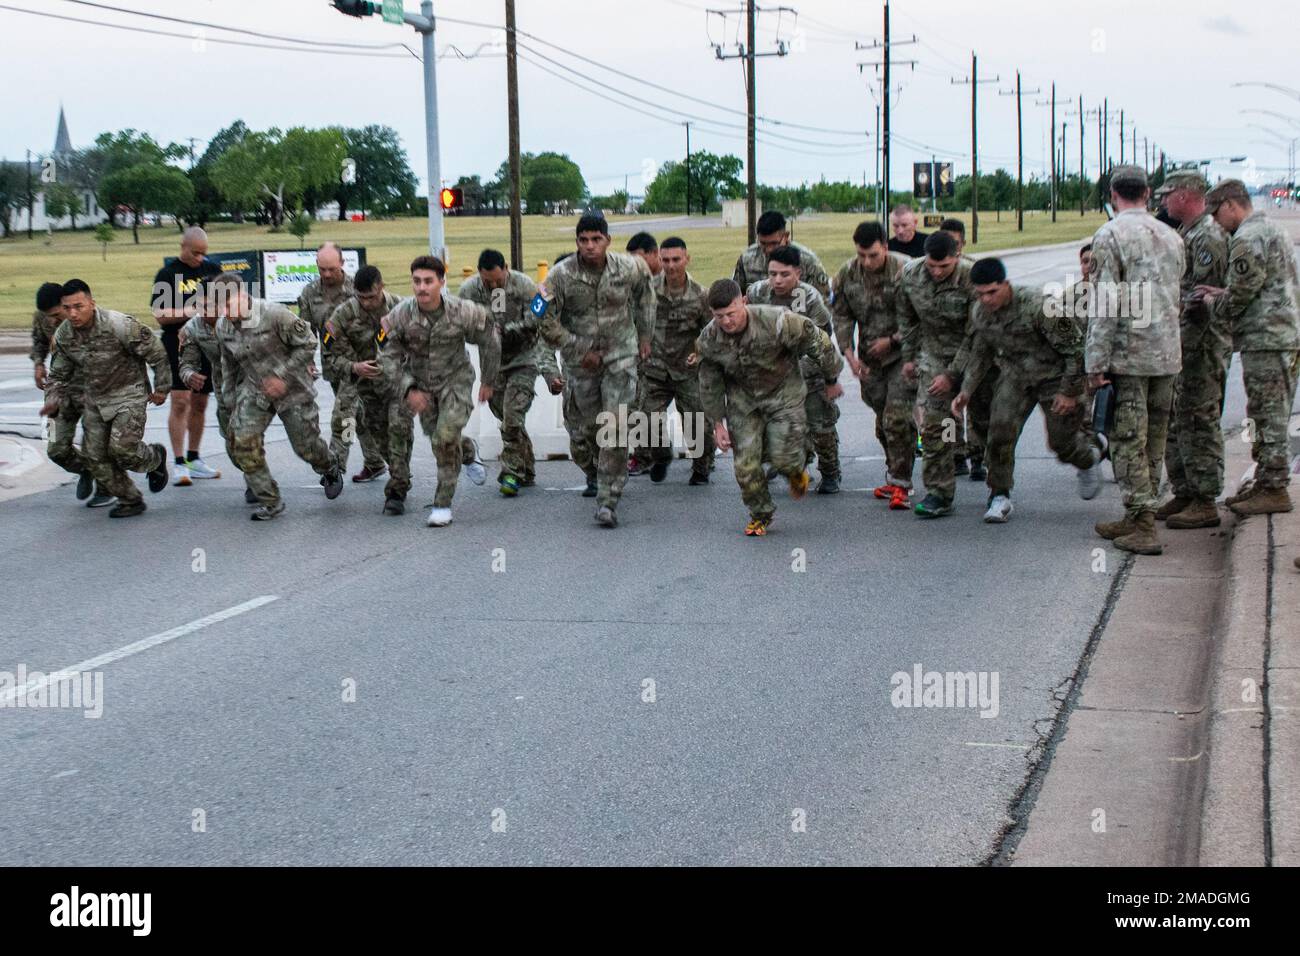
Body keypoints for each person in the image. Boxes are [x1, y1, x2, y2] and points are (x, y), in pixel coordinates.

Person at [952, 258, 1102, 523]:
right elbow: (981, 352)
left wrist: (1069, 392)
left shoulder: (1041, 306)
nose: (986, 299)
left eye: (992, 292)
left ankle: (1089, 457)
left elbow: (1076, 349)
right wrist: (966, 390)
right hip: (1016, 376)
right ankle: (999, 495)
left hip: (1056, 378)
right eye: (980, 293)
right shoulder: (980, 312)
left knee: (1061, 443)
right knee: (999, 430)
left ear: (1006, 285)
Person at [1086, 164, 1184, 555]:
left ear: (1113, 195)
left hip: (1130, 355)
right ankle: (1140, 511)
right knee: (1155, 437)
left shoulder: (1110, 235)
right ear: (1148, 194)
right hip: (1167, 351)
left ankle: (1143, 521)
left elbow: (1105, 302)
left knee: (1127, 438)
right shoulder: (1171, 235)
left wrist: (1095, 362)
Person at [696, 279, 844, 536]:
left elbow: (819, 342)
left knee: (784, 459)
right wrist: (717, 424)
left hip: (783, 395)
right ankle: (761, 513)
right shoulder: (709, 338)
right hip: (744, 402)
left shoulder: (778, 321)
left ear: (743, 301)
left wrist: (831, 379)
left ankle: (796, 467)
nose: (727, 321)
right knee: (745, 466)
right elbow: (709, 382)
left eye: (731, 313)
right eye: (720, 316)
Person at [537, 213, 654, 528]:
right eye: (584, 240)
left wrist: (645, 336)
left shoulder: (631, 267)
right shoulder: (559, 276)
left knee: (613, 428)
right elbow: (540, 315)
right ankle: (596, 473)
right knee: (587, 431)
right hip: (581, 365)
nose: (590, 246)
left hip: (621, 356)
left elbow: (646, 298)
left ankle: (608, 499)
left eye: (596, 239)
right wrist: (576, 348)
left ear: (607, 241)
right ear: (576, 242)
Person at [1195, 178, 1300, 517]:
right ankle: (1266, 480)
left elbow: (1240, 297)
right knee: (1269, 413)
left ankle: (1274, 488)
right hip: (1282, 334)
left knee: (1267, 415)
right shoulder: (1272, 229)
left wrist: (1209, 301)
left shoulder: (1247, 238)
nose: (1215, 221)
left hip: (1266, 338)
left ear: (1230, 205)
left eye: (1216, 212)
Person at [214, 273, 345, 521]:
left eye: (228, 304)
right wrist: (228, 398)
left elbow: (307, 343)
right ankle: (269, 500)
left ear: (243, 296)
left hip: (292, 388)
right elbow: (228, 364)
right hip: (256, 390)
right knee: (243, 443)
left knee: (306, 448)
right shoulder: (223, 327)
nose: (224, 312)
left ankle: (329, 466)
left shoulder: (274, 315)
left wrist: (281, 375)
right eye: (219, 306)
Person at [381, 256, 501, 527]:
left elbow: (490, 339)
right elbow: (387, 357)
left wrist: (489, 380)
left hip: (455, 381)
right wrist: (407, 389)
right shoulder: (400, 315)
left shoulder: (463, 311)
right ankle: (469, 451)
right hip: (422, 388)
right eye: (416, 281)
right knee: (441, 438)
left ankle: (442, 504)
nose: (422, 288)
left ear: (441, 282)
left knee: (444, 439)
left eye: (428, 281)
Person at [40, 279, 170, 518]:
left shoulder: (119, 325)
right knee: (94, 456)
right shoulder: (64, 335)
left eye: (78, 306)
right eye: (67, 308)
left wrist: (162, 387)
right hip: (96, 398)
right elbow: (58, 374)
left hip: (128, 393)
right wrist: (52, 399)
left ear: (92, 303)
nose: (72, 313)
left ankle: (155, 458)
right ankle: (130, 499)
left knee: (122, 449)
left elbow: (156, 353)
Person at [1155, 170, 1231, 530]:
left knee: (1200, 419)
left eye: (1168, 194)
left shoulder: (1208, 236)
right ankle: (1185, 490)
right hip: (1185, 344)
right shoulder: (1189, 233)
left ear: (1184, 196)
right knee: (1181, 418)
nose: (1163, 201)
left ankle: (1205, 498)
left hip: (1202, 345)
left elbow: (1203, 296)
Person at [457, 249, 564, 497]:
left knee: (513, 415)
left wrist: (508, 330)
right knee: (506, 419)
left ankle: (511, 473)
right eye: (488, 281)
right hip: (493, 363)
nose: (494, 285)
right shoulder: (469, 291)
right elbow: (460, 325)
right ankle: (526, 468)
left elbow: (537, 316)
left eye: (497, 279)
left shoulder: (525, 285)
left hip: (525, 357)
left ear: (506, 268)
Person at [831, 221, 915, 509]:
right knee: (883, 422)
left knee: (896, 418)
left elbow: (921, 319)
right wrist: (849, 355)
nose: (867, 262)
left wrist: (892, 341)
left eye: (873, 255)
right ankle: (895, 475)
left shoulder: (906, 271)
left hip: (904, 354)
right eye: (861, 255)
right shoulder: (846, 274)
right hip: (870, 357)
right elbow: (841, 316)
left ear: (886, 248)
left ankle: (902, 483)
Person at [745, 245, 842, 494]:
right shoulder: (757, 292)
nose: (777, 280)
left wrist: (831, 379)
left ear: (797, 272)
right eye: (772, 273)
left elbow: (823, 340)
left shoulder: (809, 297)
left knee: (821, 425)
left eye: (785, 274)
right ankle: (789, 463)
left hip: (808, 369)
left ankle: (830, 471)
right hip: (773, 375)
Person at [896, 231, 978, 517]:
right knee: (934, 423)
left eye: (944, 266)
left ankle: (997, 486)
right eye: (932, 265)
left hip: (978, 355)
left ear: (957, 257)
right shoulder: (911, 274)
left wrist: (953, 375)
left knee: (989, 425)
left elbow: (976, 333)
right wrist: (908, 358)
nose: (937, 271)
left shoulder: (971, 277)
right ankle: (939, 492)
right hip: (933, 353)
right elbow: (906, 319)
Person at [299, 243, 385, 482]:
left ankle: (336, 465)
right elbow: (304, 332)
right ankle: (375, 461)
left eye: (332, 269)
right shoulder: (309, 293)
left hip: (362, 364)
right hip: (335, 365)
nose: (327, 274)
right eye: (322, 269)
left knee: (344, 415)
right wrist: (306, 360)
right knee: (358, 415)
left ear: (342, 264)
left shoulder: (356, 289)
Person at [321, 265, 403, 507]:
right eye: (361, 297)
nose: (366, 303)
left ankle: (395, 473)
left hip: (390, 378)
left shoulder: (400, 308)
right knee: (344, 420)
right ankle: (335, 470)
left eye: (371, 297)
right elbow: (328, 352)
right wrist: (353, 367)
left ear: (382, 288)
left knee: (390, 430)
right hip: (356, 376)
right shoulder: (343, 314)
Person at [638, 237, 714, 485]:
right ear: (659, 259)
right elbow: (633, 321)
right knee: (645, 421)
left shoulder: (701, 295)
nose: (671, 266)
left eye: (676, 260)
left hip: (687, 371)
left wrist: (701, 353)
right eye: (666, 260)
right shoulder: (647, 290)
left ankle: (701, 468)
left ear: (687, 259)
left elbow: (712, 332)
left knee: (697, 426)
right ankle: (661, 456)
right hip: (654, 370)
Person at [31, 282, 113, 508]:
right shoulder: (43, 318)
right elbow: (39, 340)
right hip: (58, 391)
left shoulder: (92, 322)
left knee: (95, 443)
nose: (51, 320)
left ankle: (106, 487)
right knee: (55, 448)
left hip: (91, 390)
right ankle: (86, 470)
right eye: (46, 316)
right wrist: (38, 364)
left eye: (56, 314)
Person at [151, 226, 221, 486]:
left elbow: (226, 303)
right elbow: (159, 315)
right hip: (176, 343)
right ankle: (179, 462)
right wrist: (191, 311)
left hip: (207, 344)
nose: (200, 258)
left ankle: (194, 458)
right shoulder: (168, 274)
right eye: (196, 253)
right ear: (183, 246)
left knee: (201, 402)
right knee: (180, 401)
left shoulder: (212, 271)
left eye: (204, 253)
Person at [178, 281, 255, 504]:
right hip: (224, 387)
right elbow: (186, 364)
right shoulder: (193, 328)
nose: (205, 311)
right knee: (232, 444)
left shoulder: (244, 319)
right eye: (200, 306)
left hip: (251, 381)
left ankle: (256, 481)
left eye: (210, 305)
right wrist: (189, 375)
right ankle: (254, 472)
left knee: (246, 435)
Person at [938, 215, 990, 479]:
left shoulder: (973, 273)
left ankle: (978, 456)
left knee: (978, 407)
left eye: (955, 243)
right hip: (946, 351)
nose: (951, 248)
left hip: (975, 349)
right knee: (948, 410)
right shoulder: (934, 272)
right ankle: (955, 453)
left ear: (963, 244)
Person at [625, 232, 661, 476]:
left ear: (653, 254)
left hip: (675, 359)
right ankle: (642, 455)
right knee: (637, 409)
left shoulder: (673, 279)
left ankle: (702, 457)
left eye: (638, 259)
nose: (634, 266)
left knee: (692, 414)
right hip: (640, 358)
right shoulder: (630, 284)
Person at [733, 211, 830, 296]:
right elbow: (735, 296)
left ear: (786, 236)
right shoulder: (747, 259)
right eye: (763, 243)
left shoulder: (808, 261)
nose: (769, 249)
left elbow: (823, 300)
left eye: (774, 243)